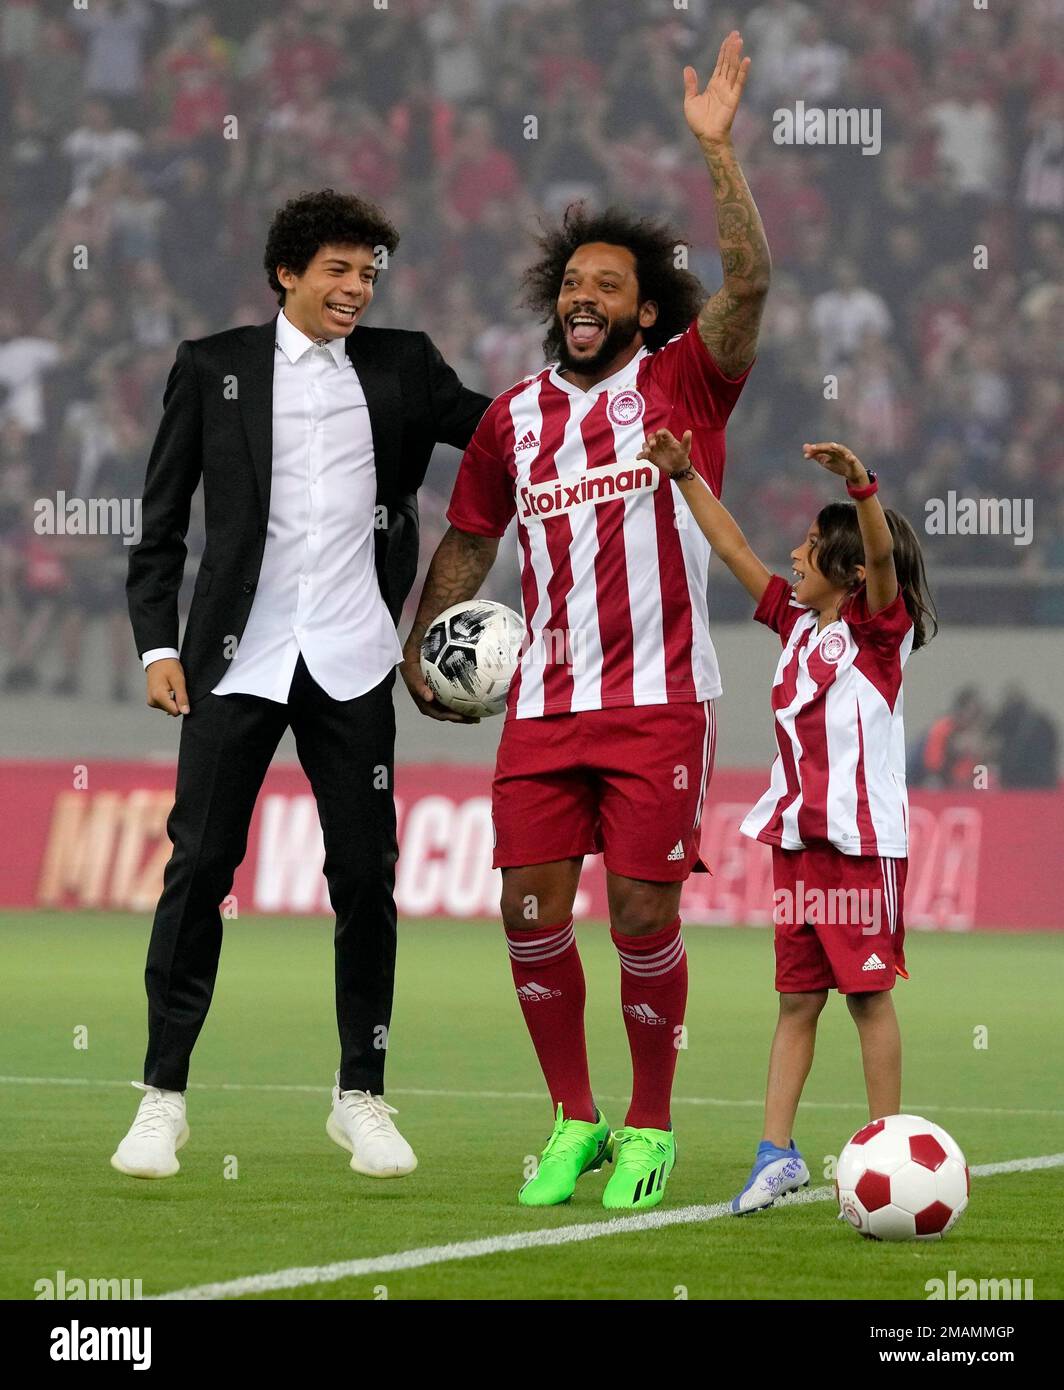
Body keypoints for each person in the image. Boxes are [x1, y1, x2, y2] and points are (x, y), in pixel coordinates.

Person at [402, 31, 770, 1211]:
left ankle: (650, 1123)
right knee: (525, 910)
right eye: (571, 284)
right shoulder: (511, 418)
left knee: (641, 911)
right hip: (545, 703)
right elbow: (467, 537)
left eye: (606, 286)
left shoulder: (681, 384)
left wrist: (716, 153)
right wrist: (430, 642)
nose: (581, 296)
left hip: (661, 697)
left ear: (644, 310)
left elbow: (750, 285)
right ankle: (571, 1119)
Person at [115, 189, 489, 1180]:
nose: (356, 288)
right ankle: (162, 1097)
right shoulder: (213, 368)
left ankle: (359, 1093)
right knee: (199, 869)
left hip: (354, 657)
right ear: (288, 272)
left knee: (365, 876)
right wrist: (158, 648)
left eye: (368, 273)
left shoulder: (402, 364)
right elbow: (158, 527)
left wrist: (600, 400)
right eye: (338, 269)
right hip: (235, 661)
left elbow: (495, 432)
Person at [637, 430, 937, 1214]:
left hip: (860, 847)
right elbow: (733, 548)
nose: (793, 557)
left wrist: (863, 489)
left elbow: (882, 560)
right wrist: (685, 476)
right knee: (797, 1002)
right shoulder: (794, 624)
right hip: (798, 847)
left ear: (849, 574)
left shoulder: (874, 636)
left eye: (809, 548)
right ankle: (777, 1155)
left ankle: (887, 1153)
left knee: (868, 998)